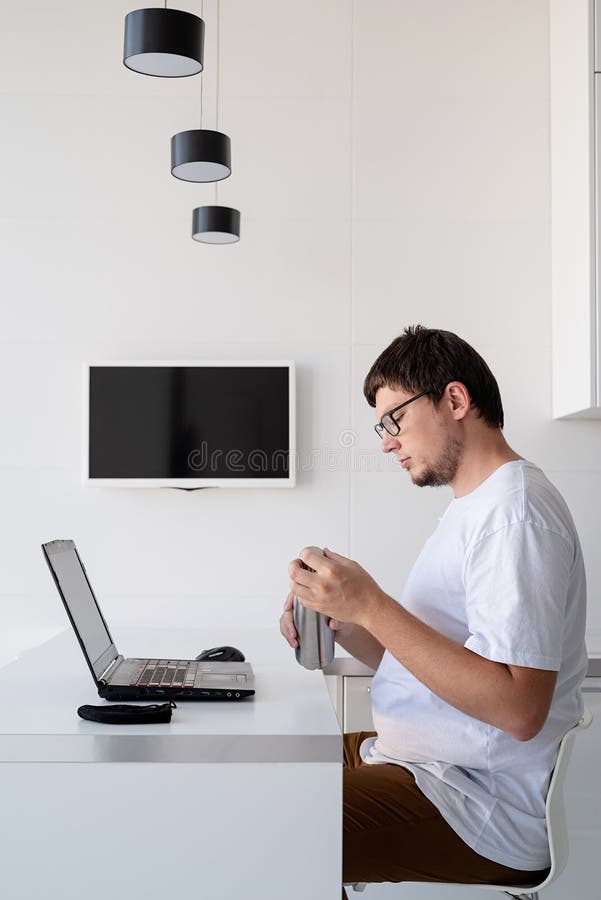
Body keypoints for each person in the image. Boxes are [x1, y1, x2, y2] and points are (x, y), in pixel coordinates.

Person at [279, 326, 587, 897]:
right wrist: (347, 618)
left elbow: (519, 708)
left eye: (393, 419)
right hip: (421, 761)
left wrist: (373, 603)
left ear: (454, 399)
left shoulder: (516, 515)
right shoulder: (475, 506)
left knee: (244, 823)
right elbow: (431, 659)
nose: (386, 442)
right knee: (238, 775)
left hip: (472, 805)